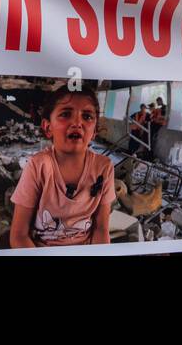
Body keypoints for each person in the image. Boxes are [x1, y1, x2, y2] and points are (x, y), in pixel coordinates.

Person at [9, 85, 113, 247]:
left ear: (94, 132)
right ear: (47, 127)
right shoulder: (39, 166)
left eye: (87, 116)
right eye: (66, 114)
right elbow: (19, 235)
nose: (77, 123)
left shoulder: (103, 167)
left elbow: (101, 229)